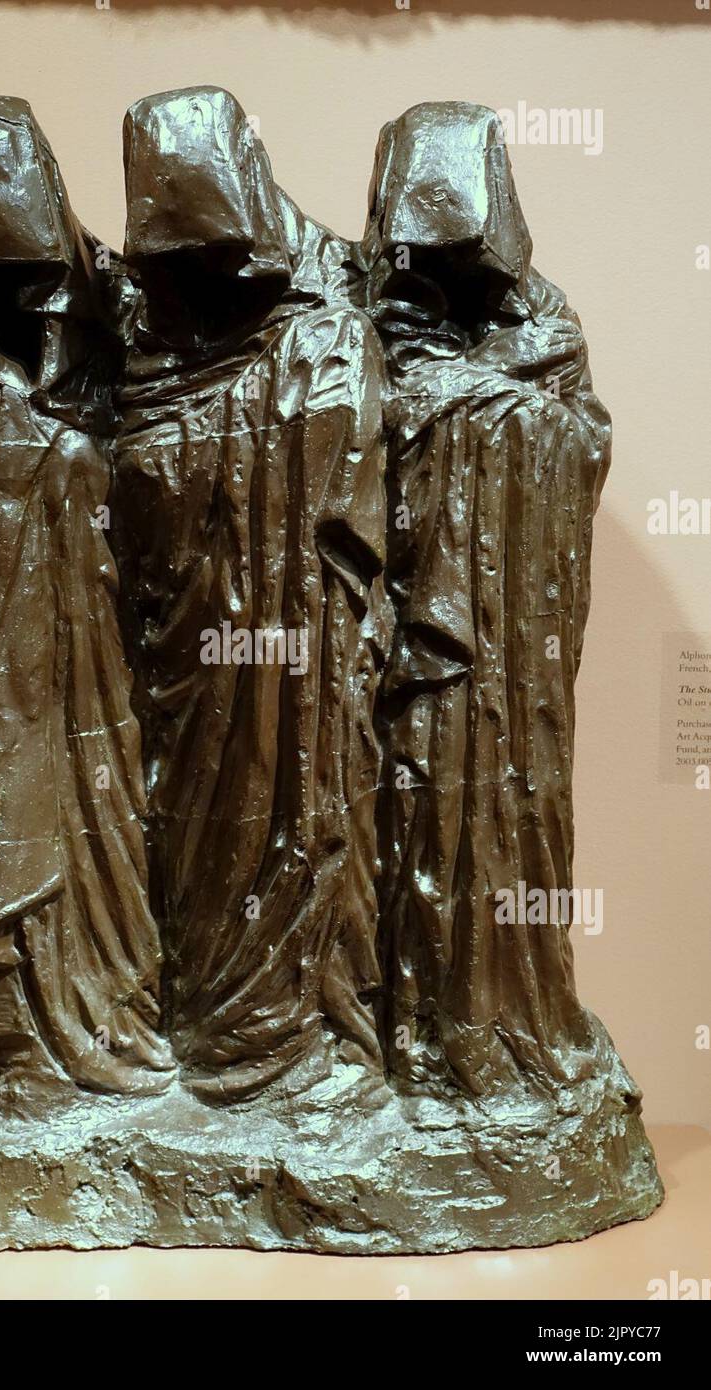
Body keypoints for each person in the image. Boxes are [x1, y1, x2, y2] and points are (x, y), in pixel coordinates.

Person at [112, 86, 392, 1103]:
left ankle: (297, 1043)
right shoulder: (142, 345)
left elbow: (354, 508)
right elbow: (134, 486)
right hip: (192, 657)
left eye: (217, 246)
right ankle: (207, 1035)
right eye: (176, 251)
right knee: (195, 837)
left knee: (302, 820)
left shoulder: (328, 335)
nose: (201, 272)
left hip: (302, 656)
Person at [0, 96, 174, 1095]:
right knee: (12, 815)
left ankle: (114, 1007)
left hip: (95, 641)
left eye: (26, 266)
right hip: (3, 647)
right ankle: (22, 1036)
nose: (10, 290)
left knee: (111, 806)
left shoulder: (107, 316)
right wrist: (35, 449)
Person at [358, 102, 613, 1096]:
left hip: (511, 660)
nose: (438, 263)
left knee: (513, 820)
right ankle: (421, 1028)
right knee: (415, 816)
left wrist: (473, 398)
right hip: (414, 649)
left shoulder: (546, 328)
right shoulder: (368, 327)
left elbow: (581, 443)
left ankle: (508, 1018)